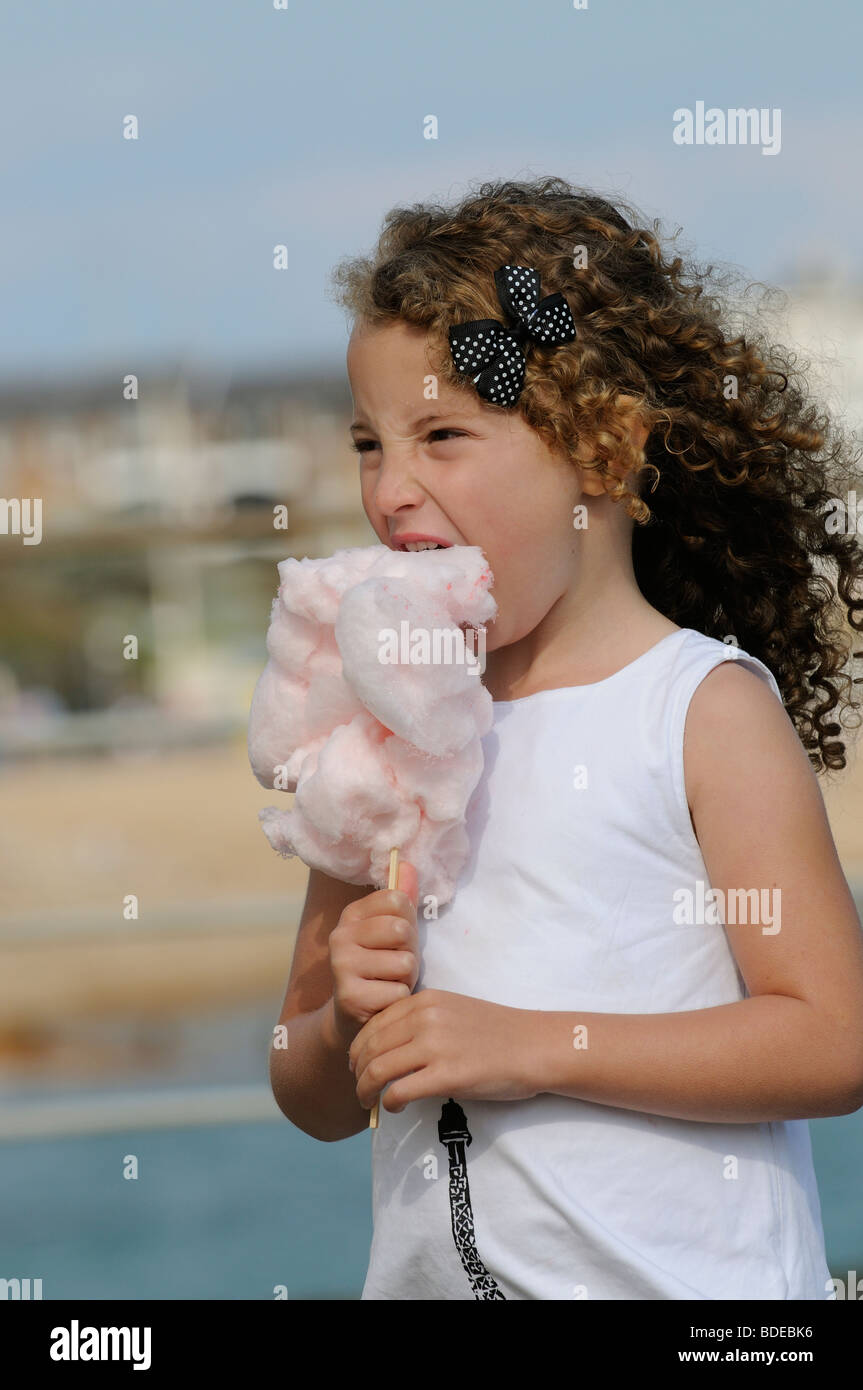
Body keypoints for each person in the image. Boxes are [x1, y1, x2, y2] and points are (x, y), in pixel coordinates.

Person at [269, 176, 863, 1300]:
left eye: (442, 434)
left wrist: (529, 1044)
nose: (391, 490)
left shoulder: (697, 712)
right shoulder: (378, 726)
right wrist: (340, 1017)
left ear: (603, 450)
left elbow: (829, 1040)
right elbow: (303, 1089)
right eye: (367, 442)